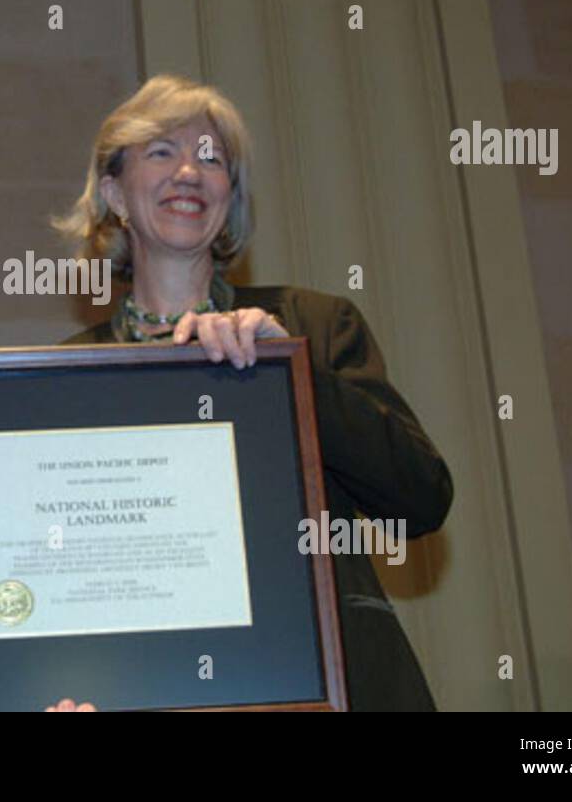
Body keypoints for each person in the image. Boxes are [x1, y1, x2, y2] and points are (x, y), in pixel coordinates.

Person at [55, 74, 454, 711]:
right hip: (147, 691)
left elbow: (420, 503)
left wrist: (287, 371)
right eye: (161, 152)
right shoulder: (69, 375)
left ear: (229, 197)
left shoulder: (313, 326)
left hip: (332, 684)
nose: (189, 171)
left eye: (211, 159)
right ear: (114, 194)